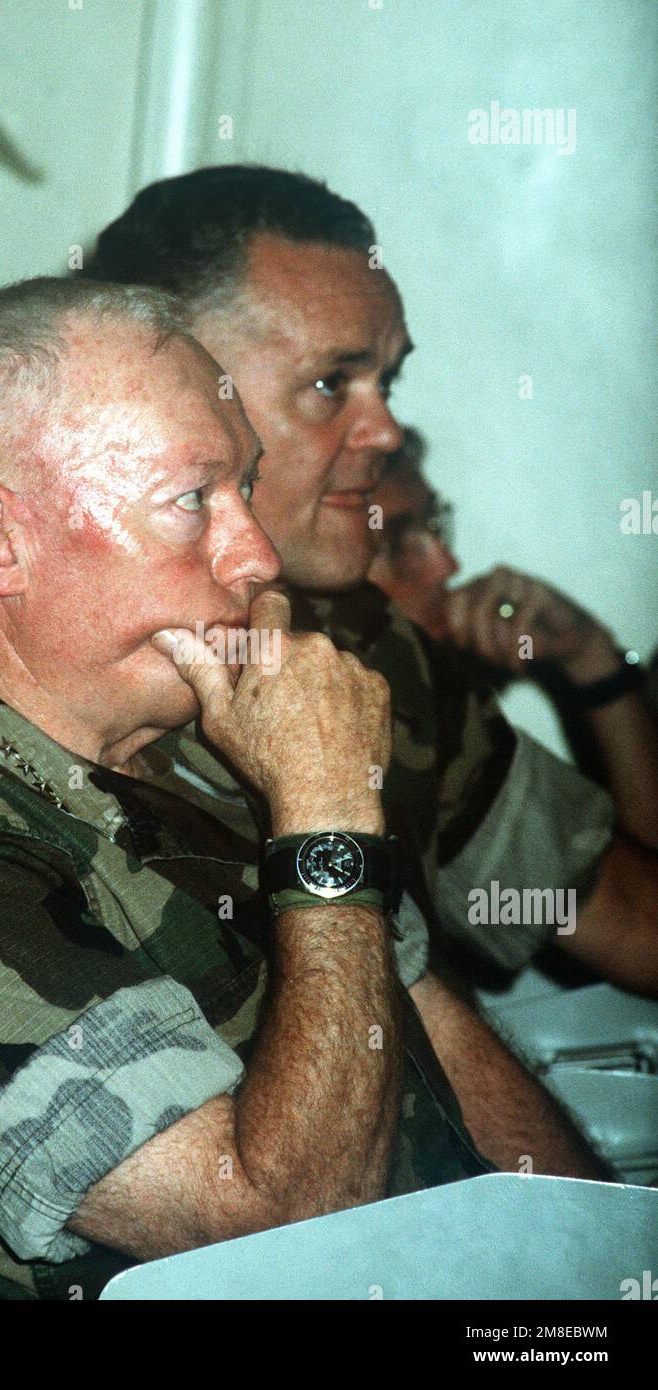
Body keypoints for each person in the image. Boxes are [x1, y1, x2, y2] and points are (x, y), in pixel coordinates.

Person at [0, 275, 534, 1301]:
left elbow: (434, 1045)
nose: (257, 554)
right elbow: (288, 1238)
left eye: (245, 487)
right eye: (193, 500)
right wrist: (326, 821)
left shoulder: (179, 715)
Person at [86, 163, 658, 1164]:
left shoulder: (364, 646)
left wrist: (603, 678)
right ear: (172, 390)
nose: (385, 429)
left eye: (384, 381)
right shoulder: (50, 699)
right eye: (329, 384)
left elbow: (627, 915)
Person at [368, 438, 658, 852]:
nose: (447, 565)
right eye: (395, 545)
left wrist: (591, 656)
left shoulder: (450, 727)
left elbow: (635, 902)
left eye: (433, 523)